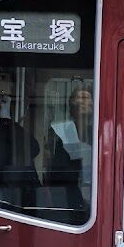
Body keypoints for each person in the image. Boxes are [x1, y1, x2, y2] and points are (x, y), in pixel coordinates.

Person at [44, 85, 93, 222]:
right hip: (66, 190)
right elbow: (51, 166)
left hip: (96, 191)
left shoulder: (101, 132)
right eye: (78, 99)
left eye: (86, 98)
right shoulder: (58, 130)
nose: (82, 102)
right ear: (71, 107)